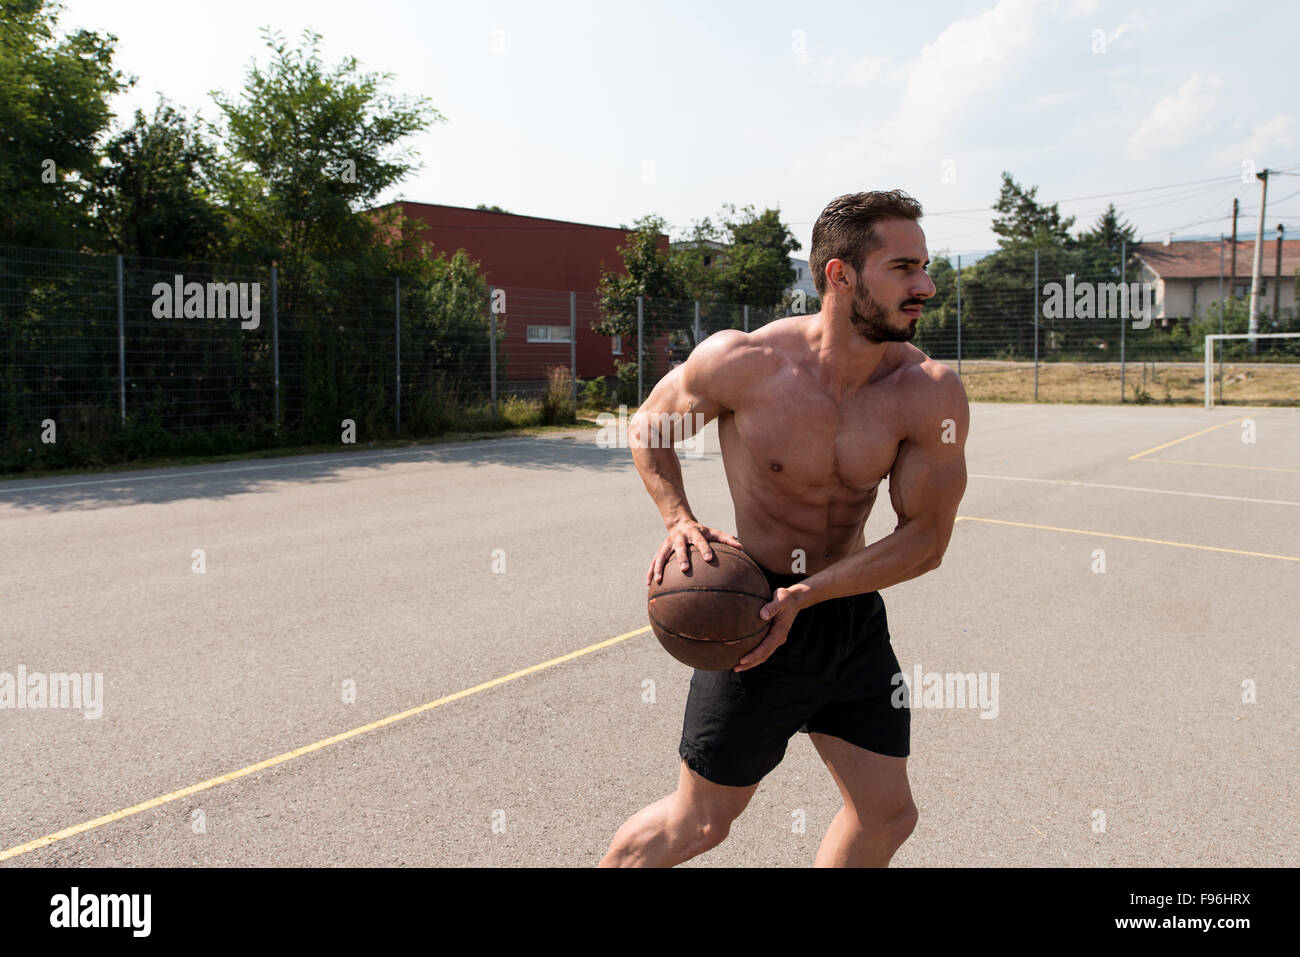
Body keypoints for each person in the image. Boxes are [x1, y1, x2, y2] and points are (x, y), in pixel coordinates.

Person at [599, 189, 969, 867]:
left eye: (926, 266)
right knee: (701, 825)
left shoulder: (928, 391)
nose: (926, 285)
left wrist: (814, 594)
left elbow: (927, 538)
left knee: (886, 814)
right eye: (904, 268)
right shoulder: (744, 363)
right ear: (841, 274)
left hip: (845, 614)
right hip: (750, 614)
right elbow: (652, 425)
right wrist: (678, 518)